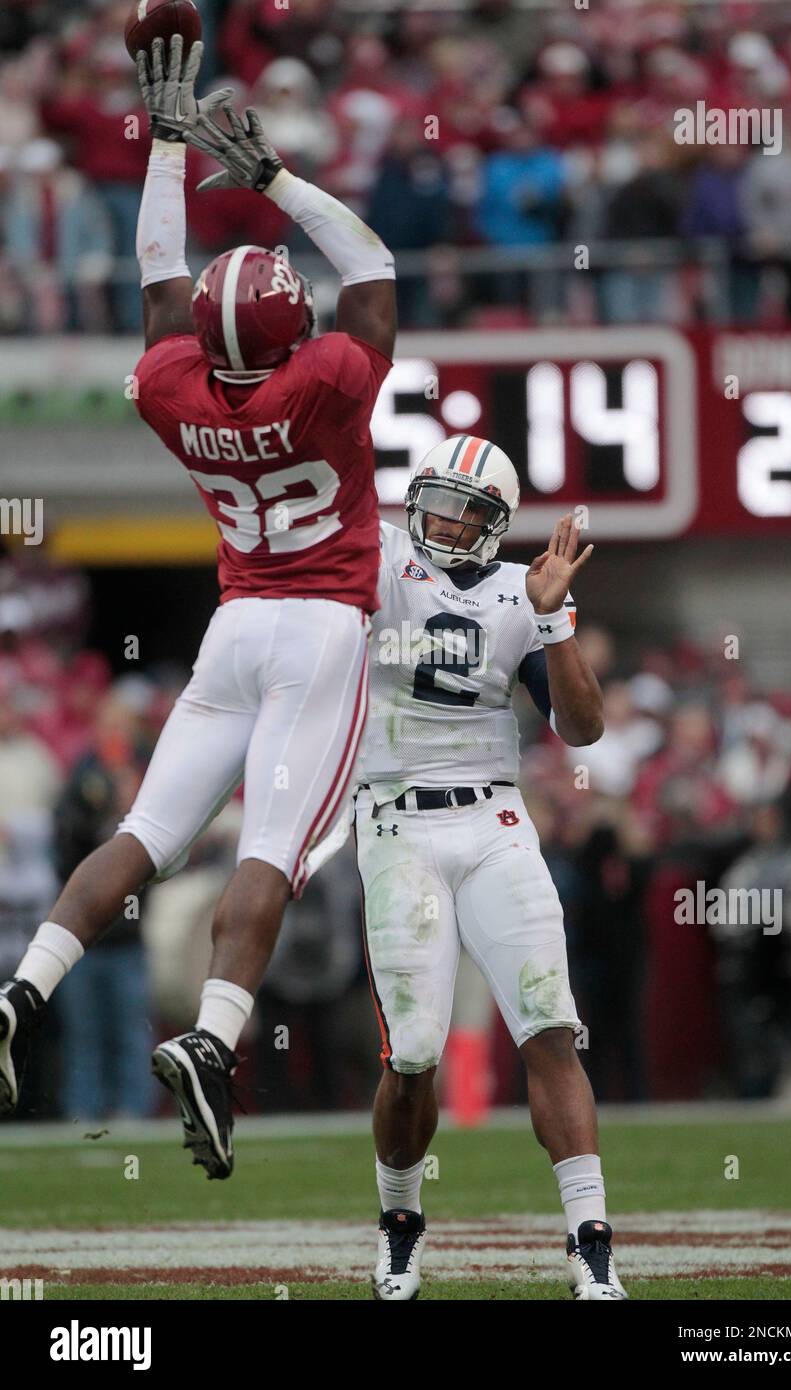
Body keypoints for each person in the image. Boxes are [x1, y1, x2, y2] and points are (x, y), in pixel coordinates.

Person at [0, 35, 396, 1181]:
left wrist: (165, 143)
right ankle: (214, 1038)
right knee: (272, 845)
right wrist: (273, 178)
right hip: (317, 627)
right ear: (291, 331)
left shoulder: (173, 386)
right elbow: (368, 268)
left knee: (141, 835)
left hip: (231, 628)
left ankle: (24, 986)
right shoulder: (324, 378)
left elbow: (158, 274)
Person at [322, 435, 626, 1300]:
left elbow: (585, 728)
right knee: (413, 1053)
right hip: (394, 822)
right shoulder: (377, 558)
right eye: (438, 500)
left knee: (549, 1026)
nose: (445, 520)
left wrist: (555, 618)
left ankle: (591, 1246)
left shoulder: (520, 594)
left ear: (494, 525)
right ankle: (400, 1228)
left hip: (494, 822)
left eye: (466, 508)